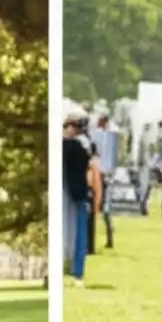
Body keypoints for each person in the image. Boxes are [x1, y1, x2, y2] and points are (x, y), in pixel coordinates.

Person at [62, 114, 91, 287]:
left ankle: (75, 271)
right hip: (75, 194)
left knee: (74, 234)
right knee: (77, 234)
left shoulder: (75, 146)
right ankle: (76, 271)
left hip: (73, 194)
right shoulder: (78, 147)